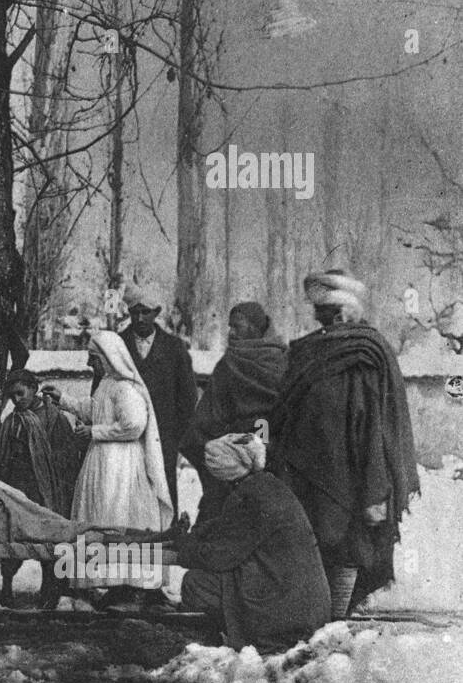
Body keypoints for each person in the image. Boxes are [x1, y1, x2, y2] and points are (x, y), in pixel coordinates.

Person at [270, 270, 418, 619]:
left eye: (323, 313)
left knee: (346, 545)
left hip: (351, 468)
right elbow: (282, 408)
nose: (317, 319)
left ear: (340, 313)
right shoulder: (309, 351)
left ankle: (335, 618)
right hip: (306, 467)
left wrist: (375, 485)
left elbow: (375, 423)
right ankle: (320, 616)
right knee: (314, 543)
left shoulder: (364, 354)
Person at [44, 331, 173, 609]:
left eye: (94, 359)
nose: (91, 364)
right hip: (102, 460)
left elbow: (134, 425)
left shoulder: (126, 388)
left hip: (121, 464)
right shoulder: (106, 385)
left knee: (119, 516)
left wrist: (95, 432)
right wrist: (63, 399)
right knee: (100, 517)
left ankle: (129, 588)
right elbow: (94, 409)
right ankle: (103, 584)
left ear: (107, 358)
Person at [178, 434, 331, 653]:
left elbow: (219, 557)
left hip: (288, 612)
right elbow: (228, 527)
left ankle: (245, 642)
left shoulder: (248, 497)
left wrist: (185, 548)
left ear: (222, 474)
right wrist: (198, 535)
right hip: (303, 602)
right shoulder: (267, 484)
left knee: (195, 583)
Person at [180, 302, 285, 524]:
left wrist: (261, 442)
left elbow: (267, 415)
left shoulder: (281, 361)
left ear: (256, 329)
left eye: (237, 327)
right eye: (230, 327)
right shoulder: (229, 363)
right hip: (231, 449)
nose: (231, 334)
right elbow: (209, 412)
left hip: (271, 449)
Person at [0, 369, 84, 608]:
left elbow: (67, 455)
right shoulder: (12, 419)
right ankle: (6, 587)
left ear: (34, 389)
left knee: (54, 539)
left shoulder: (54, 418)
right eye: (12, 396)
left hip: (48, 489)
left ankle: (53, 592)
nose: (16, 400)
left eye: (20, 393)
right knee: (13, 537)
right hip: (19, 485)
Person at [119, 284, 197, 520]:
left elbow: (187, 396)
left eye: (146, 312)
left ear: (157, 312)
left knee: (163, 483)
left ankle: (168, 531)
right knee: (127, 485)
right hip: (126, 432)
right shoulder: (117, 344)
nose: (140, 318)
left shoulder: (174, 347)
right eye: (134, 312)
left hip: (164, 434)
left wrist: (179, 436)